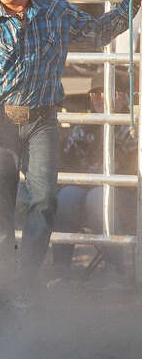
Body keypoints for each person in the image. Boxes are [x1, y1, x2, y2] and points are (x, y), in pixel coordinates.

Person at [0, 0, 142, 295]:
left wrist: (133, 2)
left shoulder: (55, 12)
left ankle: (23, 282)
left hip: (42, 121)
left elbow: (98, 33)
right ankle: (0, 282)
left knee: (44, 202)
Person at [50, 73, 137, 281]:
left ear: (122, 96)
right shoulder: (86, 124)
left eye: (106, 92)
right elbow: (67, 160)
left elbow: (134, 170)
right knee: (67, 196)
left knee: (98, 198)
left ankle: (116, 270)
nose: (98, 98)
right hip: (90, 192)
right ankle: (60, 269)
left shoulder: (132, 127)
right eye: (94, 94)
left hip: (127, 199)